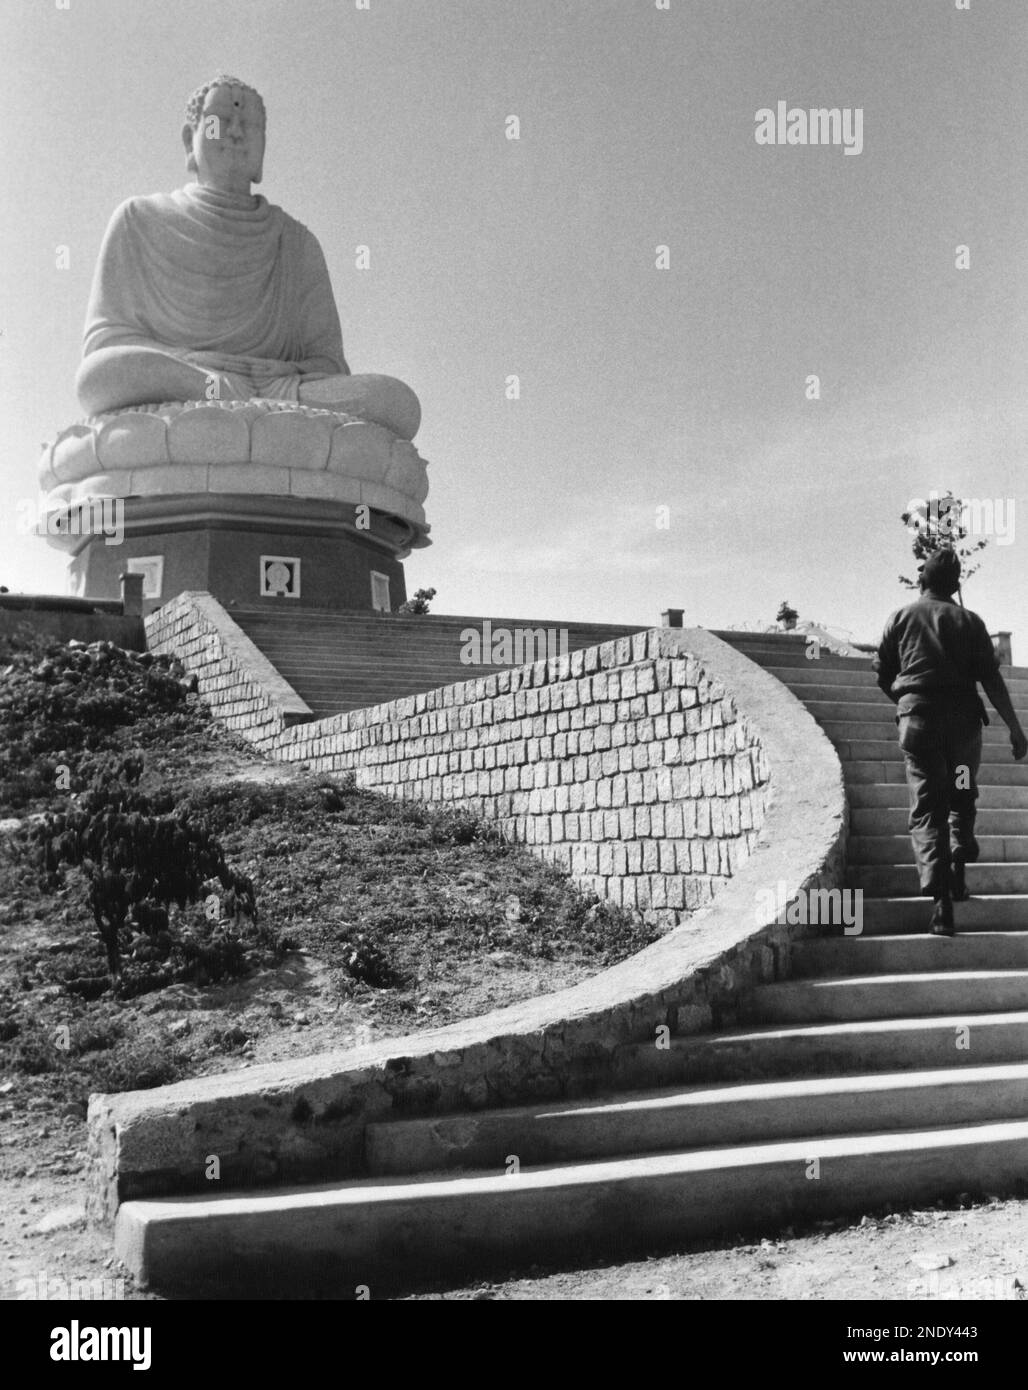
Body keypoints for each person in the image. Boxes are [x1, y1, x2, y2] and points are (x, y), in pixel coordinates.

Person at [74, 74, 420, 440]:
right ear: (190, 140)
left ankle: (242, 402)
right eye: (219, 121)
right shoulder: (140, 219)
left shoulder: (297, 243)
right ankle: (225, 396)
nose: (236, 133)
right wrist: (200, 372)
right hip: (187, 380)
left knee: (395, 402)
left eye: (250, 125)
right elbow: (107, 342)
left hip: (279, 391)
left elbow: (328, 363)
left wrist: (277, 381)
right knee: (100, 376)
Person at [873, 547, 1027, 935]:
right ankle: (958, 859)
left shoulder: (901, 617)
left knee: (927, 808)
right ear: (955, 586)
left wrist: (908, 705)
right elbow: (991, 679)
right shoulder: (970, 621)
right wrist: (1015, 728)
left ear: (922, 579)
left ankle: (941, 902)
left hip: (920, 728)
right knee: (960, 791)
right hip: (962, 731)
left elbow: (883, 674)